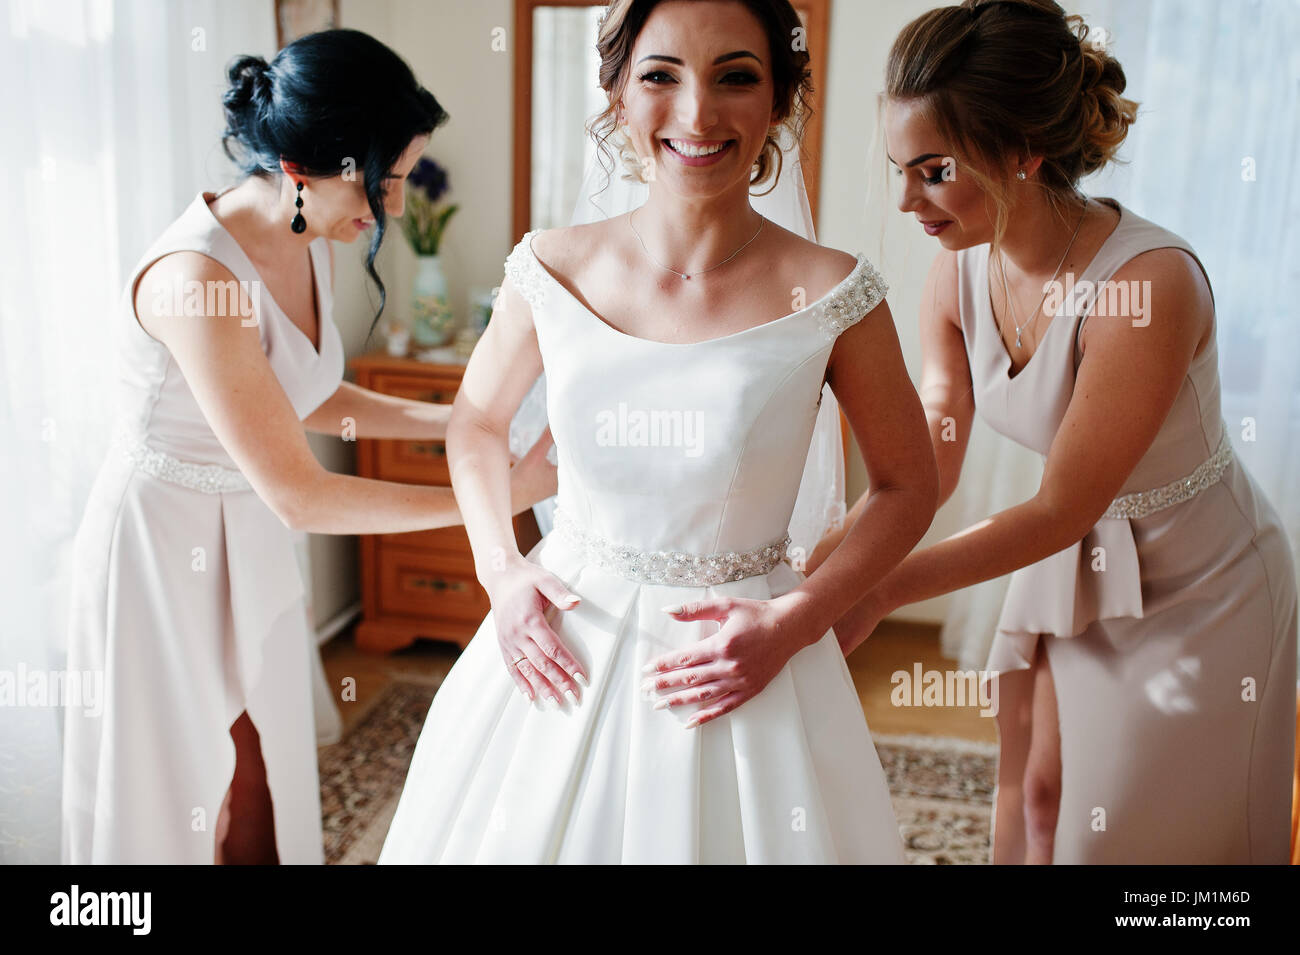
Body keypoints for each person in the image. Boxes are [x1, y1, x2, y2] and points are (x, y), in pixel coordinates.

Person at [377, 0, 937, 864]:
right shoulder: (549, 267)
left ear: (781, 101)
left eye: (736, 78)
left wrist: (796, 621)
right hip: (564, 635)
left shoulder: (835, 291)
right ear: (615, 94)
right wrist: (502, 572)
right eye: (660, 75)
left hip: (742, 652)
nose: (698, 114)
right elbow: (478, 422)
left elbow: (907, 485)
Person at [809, 0, 1297, 863]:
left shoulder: (1148, 285)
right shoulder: (957, 271)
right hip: (1067, 562)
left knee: (1139, 838)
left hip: (1198, 585)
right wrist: (821, 565)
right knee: (1034, 802)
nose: (905, 199)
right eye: (898, 168)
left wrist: (877, 589)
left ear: (1023, 152)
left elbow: (1065, 504)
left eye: (932, 170)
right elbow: (929, 459)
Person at [62, 29, 557, 865]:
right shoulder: (197, 279)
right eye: (383, 178)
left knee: (263, 772)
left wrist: (466, 422)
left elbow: (313, 394)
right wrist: (495, 497)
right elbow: (302, 493)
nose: (393, 206)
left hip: (243, 533)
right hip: (159, 547)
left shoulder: (305, 237)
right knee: (178, 793)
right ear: (304, 167)